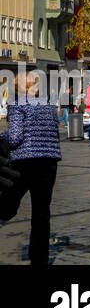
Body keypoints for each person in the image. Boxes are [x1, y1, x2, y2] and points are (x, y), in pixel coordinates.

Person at [0, 68, 62, 265]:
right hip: (49, 163)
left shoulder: (18, 105)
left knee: (7, 203)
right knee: (41, 213)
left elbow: (15, 137)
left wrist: (1, 138)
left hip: (25, 162)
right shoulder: (49, 105)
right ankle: (39, 260)